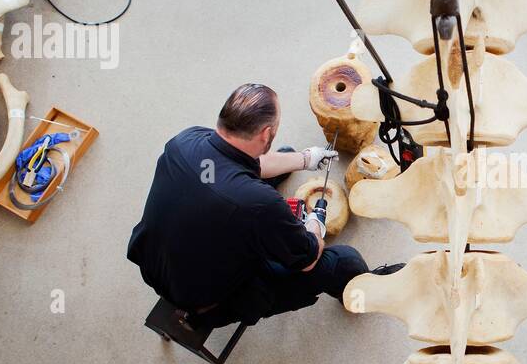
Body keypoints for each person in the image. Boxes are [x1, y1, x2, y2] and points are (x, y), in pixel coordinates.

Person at [128, 83, 393, 330]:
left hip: (156, 263)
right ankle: (357, 292)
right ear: (266, 133)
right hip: (205, 298)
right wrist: (315, 223)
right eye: (275, 129)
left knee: (284, 154)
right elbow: (308, 259)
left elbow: (244, 165)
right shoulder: (259, 204)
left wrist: (304, 159)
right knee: (345, 261)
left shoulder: (186, 140)